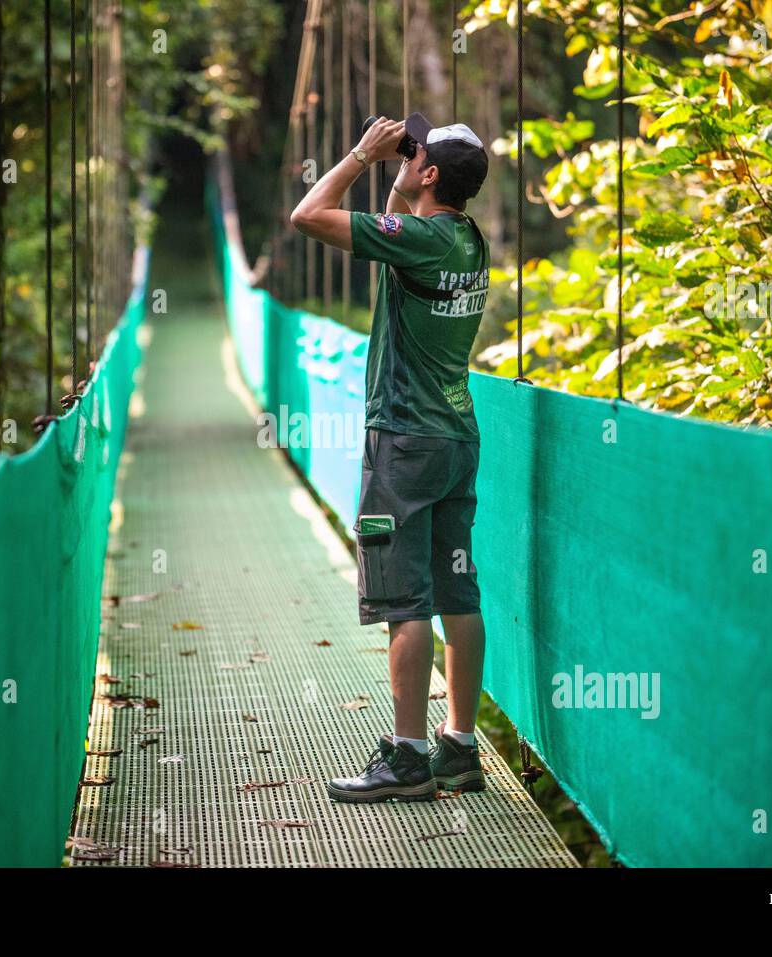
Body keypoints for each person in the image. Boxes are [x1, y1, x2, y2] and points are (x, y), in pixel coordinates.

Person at [290, 112, 490, 803]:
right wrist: (402, 180)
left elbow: (307, 215)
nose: (404, 156)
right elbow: (388, 242)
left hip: (402, 443)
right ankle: (458, 745)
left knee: (405, 599)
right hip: (457, 440)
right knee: (456, 590)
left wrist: (358, 156)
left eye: (416, 154)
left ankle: (406, 757)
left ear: (431, 174)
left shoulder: (424, 238)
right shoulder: (466, 238)